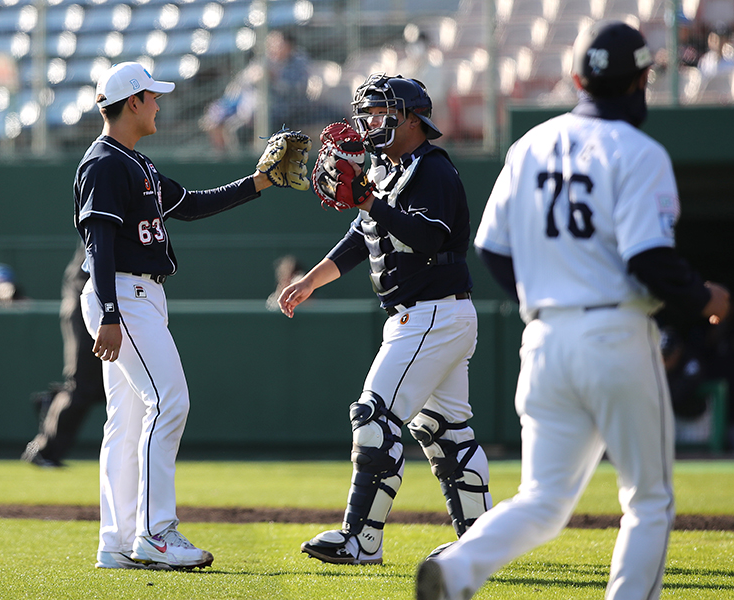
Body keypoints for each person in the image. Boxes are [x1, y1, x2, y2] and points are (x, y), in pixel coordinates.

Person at [416, 21, 730, 600]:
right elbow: (650, 263)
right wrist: (705, 297)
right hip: (614, 332)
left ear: (579, 78)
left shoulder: (530, 142)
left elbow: (491, 247)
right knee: (649, 498)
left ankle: (458, 569)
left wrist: (543, 302)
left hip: (544, 341)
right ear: (642, 81)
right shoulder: (640, 151)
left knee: (543, 498)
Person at [75, 61, 300, 571]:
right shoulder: (104, 163)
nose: (158, 103)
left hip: (137, 297)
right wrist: (110, 310)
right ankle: (155, 533)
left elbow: (194, 205)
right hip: (124, 297)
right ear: (132, 102)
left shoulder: (136, 163)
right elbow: (100, 242)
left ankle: (118, 540)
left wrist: (261, 181)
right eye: (152, 97)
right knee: (169, 401)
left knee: (128, 422)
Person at [278, 73, 492, 565]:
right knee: (446, 432)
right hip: (433, 316)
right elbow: (360, 237)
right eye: (368, 113)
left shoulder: (432, 169)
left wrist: (371, 200)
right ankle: (482, 540)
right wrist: (311, 280)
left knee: (374, 417)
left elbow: (430, 238)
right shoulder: (388, 169)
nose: (371, 122)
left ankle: (360, 538)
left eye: (381, 113)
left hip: (431, 315)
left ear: (413, 119)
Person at [21, 243, 106, 468]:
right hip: (85, 300)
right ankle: (43, 450)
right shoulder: (103, 211)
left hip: (107, 301)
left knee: (107, 389)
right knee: (82, 386)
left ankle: (51, 404)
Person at [200, 30, 311, 151]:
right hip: (249, 103)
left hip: (281, 109)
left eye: (278, 43)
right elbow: (244, 80)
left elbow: (295, 90)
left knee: (238, 128)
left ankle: (242, 159)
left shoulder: (298, 62)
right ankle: (221, 156)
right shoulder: (264, 59)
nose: (273, 46)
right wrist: (254, 77)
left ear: (289, 46)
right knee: (214, 116)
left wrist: (274, 79)